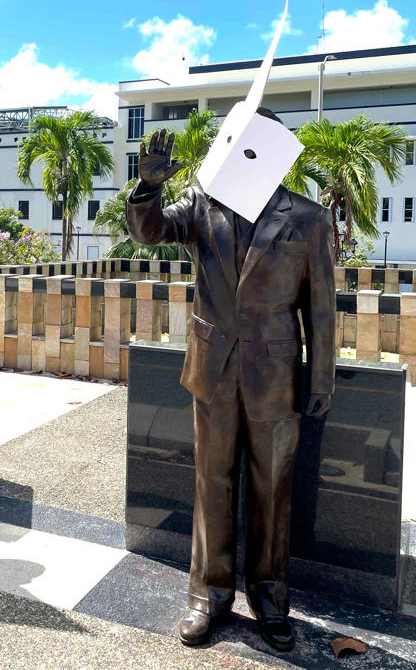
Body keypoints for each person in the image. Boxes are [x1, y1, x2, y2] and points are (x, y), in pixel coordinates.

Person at [126, 124, 335, 652]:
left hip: (277, 375)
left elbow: (321, 308)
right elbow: (151, 232)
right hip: (213, 368)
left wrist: (321, 377)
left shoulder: (307, 217)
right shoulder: (202, 204)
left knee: (273, 489)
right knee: (211, 481)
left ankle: (270, 600)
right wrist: (148, 188)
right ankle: (208, 597)